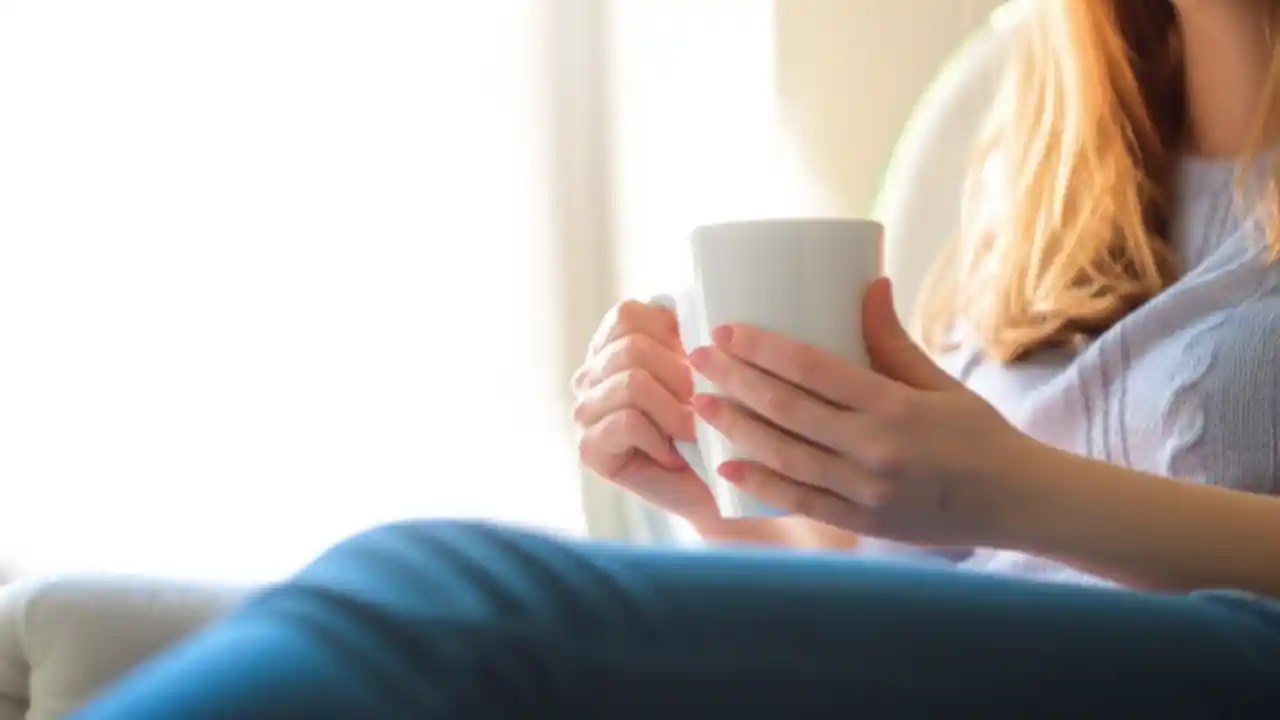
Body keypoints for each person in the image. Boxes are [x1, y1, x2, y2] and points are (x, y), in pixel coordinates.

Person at [76, 1, 1280, 717]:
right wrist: (728, 497)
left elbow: (1005, 515)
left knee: (450, 601)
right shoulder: (1055, 157)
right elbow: (944, 567)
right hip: (1002, 664)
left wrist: (1009, 483)